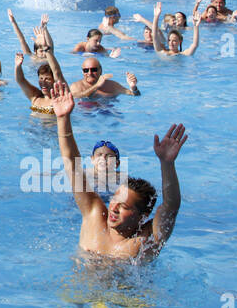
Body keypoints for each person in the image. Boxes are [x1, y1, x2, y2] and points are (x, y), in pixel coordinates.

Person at [51, 80, 186, 259]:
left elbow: (171, 207)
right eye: (115, 200)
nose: (113, 208)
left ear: (142, 216)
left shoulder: (144, 240)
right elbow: (71, 164)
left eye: (123, 206)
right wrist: (63, 120)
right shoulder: (94, 216)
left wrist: (167, 164)